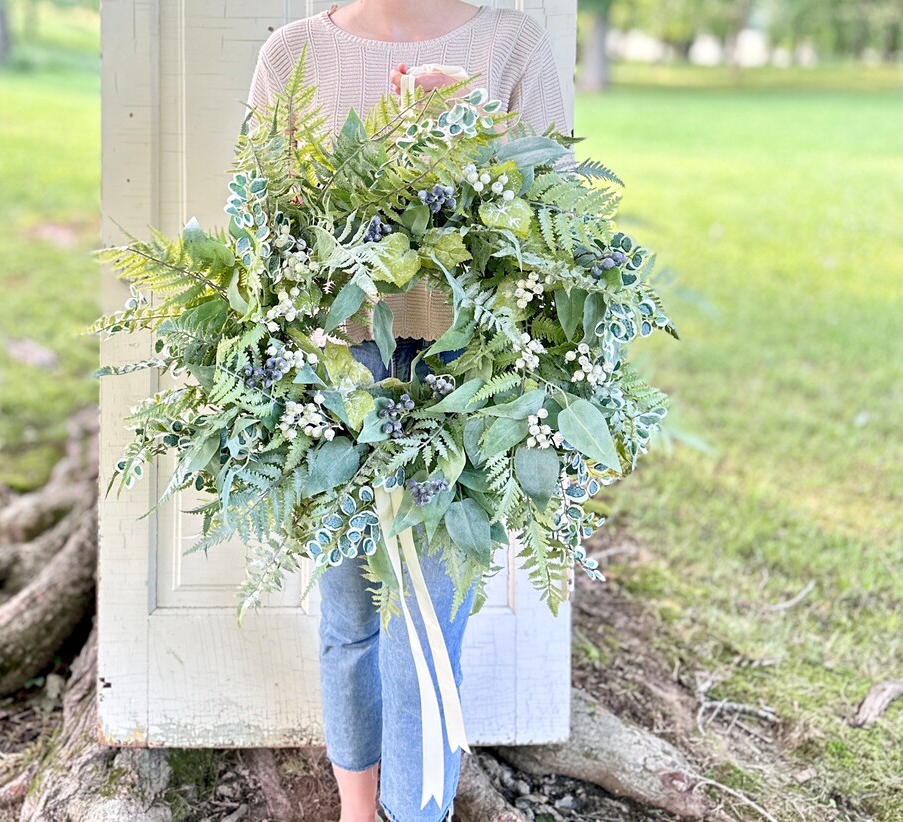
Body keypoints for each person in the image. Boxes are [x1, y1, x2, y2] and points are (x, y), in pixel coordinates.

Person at [246, 3, 570, 820]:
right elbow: (256, 225)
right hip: (334, 368)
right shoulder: (295, 53)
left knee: (423, 629)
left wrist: (478, 125)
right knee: (350, 615)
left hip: (465, 369)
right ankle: (358, 812)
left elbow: (561, 218)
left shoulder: (509, 43)